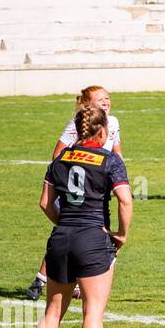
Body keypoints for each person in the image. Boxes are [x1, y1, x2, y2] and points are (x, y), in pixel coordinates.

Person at [27, 105, 132, 328]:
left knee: (52, 310)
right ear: (101, 132)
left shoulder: (60, 159)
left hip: (61, 238)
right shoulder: (109, 160)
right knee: (93, 310)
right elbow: (125, 199)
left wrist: (66, 223)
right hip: (93, 240)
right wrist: (121, 235)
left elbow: (45, 203)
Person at [25, 85, 123, 300]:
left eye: (108, 98)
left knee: (74, 233)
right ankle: (43, 279)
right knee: (76, 231)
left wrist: (117, 179)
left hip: (97, 183)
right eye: (100, 99)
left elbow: (116, 152)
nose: (106, 102)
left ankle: (64, 280)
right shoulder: (78, 124)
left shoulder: (113, 122)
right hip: (78, 185)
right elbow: (58, 153)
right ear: (87, 105)